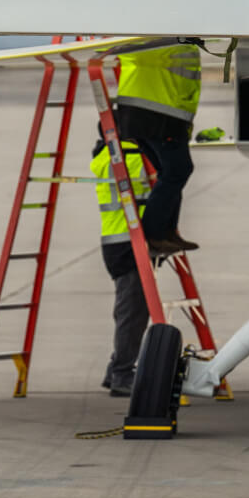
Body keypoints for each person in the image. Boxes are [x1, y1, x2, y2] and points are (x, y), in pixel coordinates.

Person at [113, 44, 201, 256]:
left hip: (155, 112)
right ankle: (153, 234)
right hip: (157, 113)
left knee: (171, 172)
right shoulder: (163, 36)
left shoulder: (178, 40)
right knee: (177, 171)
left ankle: (166, 232)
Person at [91, 138, 154, 397]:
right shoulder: (130, 157)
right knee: (132, 312)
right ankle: (122, 373)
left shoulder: (106, 156)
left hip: (117, 241)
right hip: (128, 243)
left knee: (131, 309)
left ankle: (116, 368)